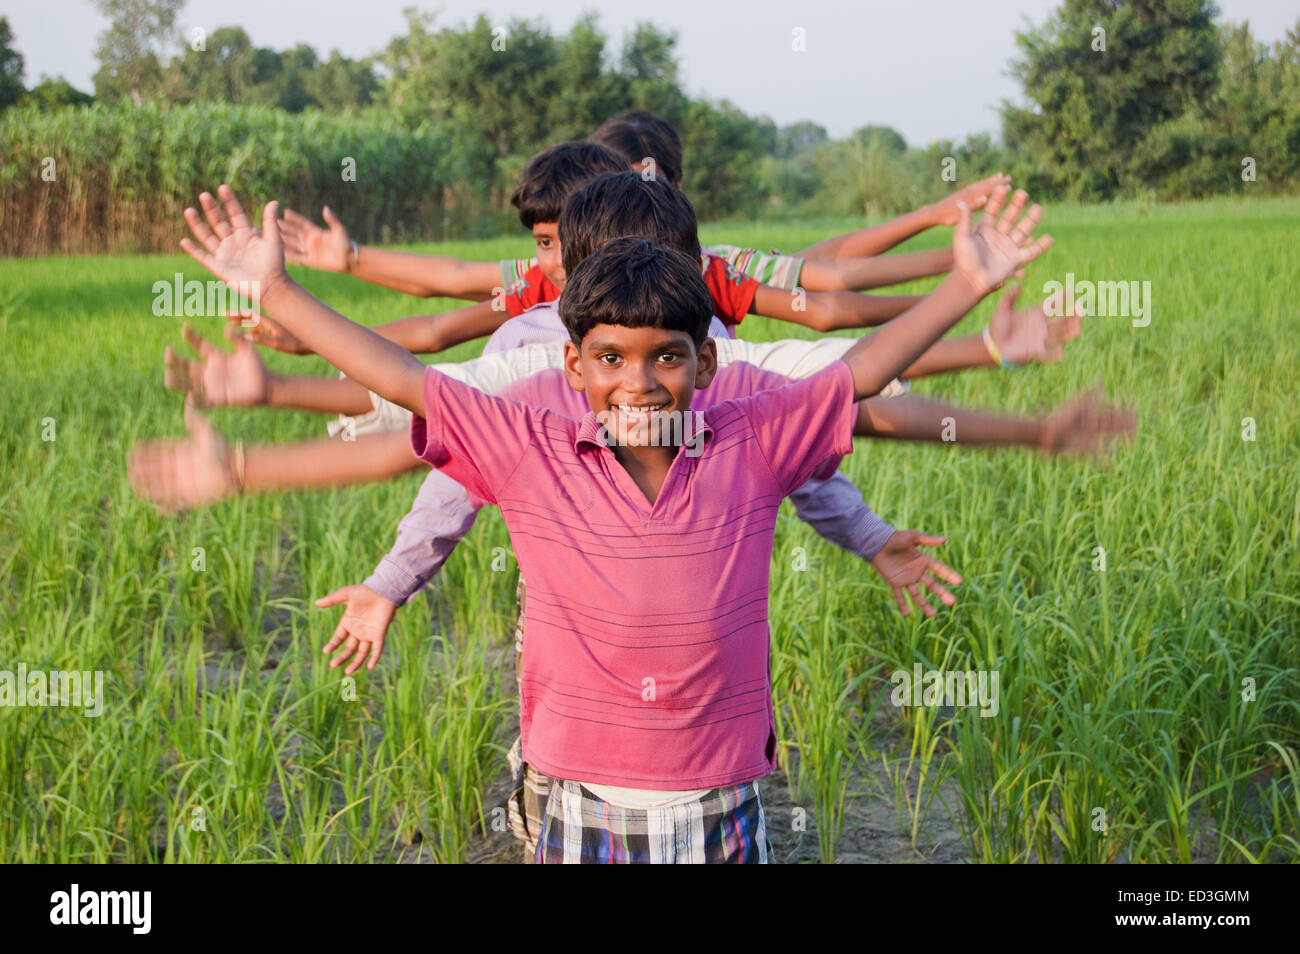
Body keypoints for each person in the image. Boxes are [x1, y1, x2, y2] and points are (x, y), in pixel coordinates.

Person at [161, 179, 1062, 862]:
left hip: (719, 790)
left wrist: (970, 290)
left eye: (667, 356)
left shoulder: (754, 434)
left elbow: (863, 375)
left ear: (705, 363)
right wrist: (274, 298)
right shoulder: (530, 441)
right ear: (573, 364)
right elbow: (403, 382)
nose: (639, 382)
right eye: (611, 358)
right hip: (579, 790)